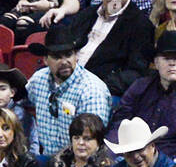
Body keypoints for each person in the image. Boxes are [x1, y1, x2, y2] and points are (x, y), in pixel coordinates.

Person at [109, 31, 176, 159]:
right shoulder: (140, 87)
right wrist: (111, 153)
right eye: (167, 58)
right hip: (130, 155)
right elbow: (119, 122)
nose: (172, 63)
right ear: (156, 63)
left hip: (170, 163)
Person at [25, 23, 113, 157]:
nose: (64, 61)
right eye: (57, 56)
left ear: (76, 56)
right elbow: (21, 101)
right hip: (47, 159)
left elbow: (92, 145)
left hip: (79, 162)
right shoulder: (38, 80)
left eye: (68, 55)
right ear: (45, 60)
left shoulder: (92, 90)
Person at [74, 0, 157, 96]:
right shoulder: (86, 15)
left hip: (99, 91)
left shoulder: (140, 25)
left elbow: (136, 73)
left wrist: (95, 85)